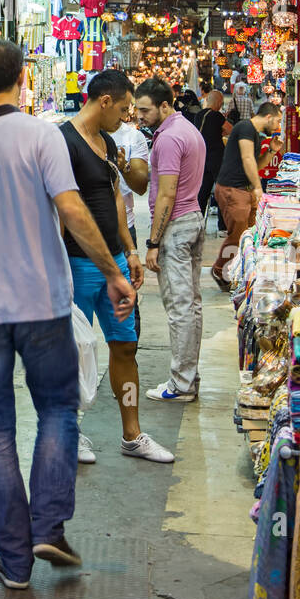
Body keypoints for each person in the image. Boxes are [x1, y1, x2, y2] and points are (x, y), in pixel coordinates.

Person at [0, 41, 135, 590]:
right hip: (41, 303)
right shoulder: (42, 135)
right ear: (23, 78)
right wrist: (114, 271)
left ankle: (14, 561)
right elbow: (70, 209)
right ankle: (49, 525)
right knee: (57, 411)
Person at [62, 70, 173, 465]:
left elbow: (115, 200)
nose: (128, 118)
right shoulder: (64, 141)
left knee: (125, 346)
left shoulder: (106, 141)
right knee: (73, 350)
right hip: (76, 263)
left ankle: (132, 433)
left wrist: (130, 249)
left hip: (115, 262)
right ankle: (70, 431)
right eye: (125, 108)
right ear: (104, 101)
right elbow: (62, 209)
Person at [133, 77, 207, 404]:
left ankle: (180, 384)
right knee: (190, 304)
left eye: (144, 110)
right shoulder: (188, 130)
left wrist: (152, 242)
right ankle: (188, 377)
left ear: (165, 105)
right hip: (193, 219)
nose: (139, 117)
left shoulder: (168, 140)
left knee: (179, 307)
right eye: (136, 110)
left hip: (176, 226)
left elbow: (166, 194)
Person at [211, 101, 283, 289]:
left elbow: (255, 165)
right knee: (238, 235)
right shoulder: (245, 127)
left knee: (249, 235)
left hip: (244, 190)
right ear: (269, 116)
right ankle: (220, 271)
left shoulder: (255, 135)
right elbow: (247, 158)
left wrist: (271, 151)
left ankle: (241, 273)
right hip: (232, 190)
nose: (278, 126)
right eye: (277, 121)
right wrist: (259, 187)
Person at [196, 89, 231, 221]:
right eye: (221, 103)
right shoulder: (217, 115)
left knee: (203, 192)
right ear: (217, 102)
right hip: (217, 157)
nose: (221, 105)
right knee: (222, 191)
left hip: (202, 157)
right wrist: (219, 133)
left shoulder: (198, 115)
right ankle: (222, 225)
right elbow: (230, 130)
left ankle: (198, 222)